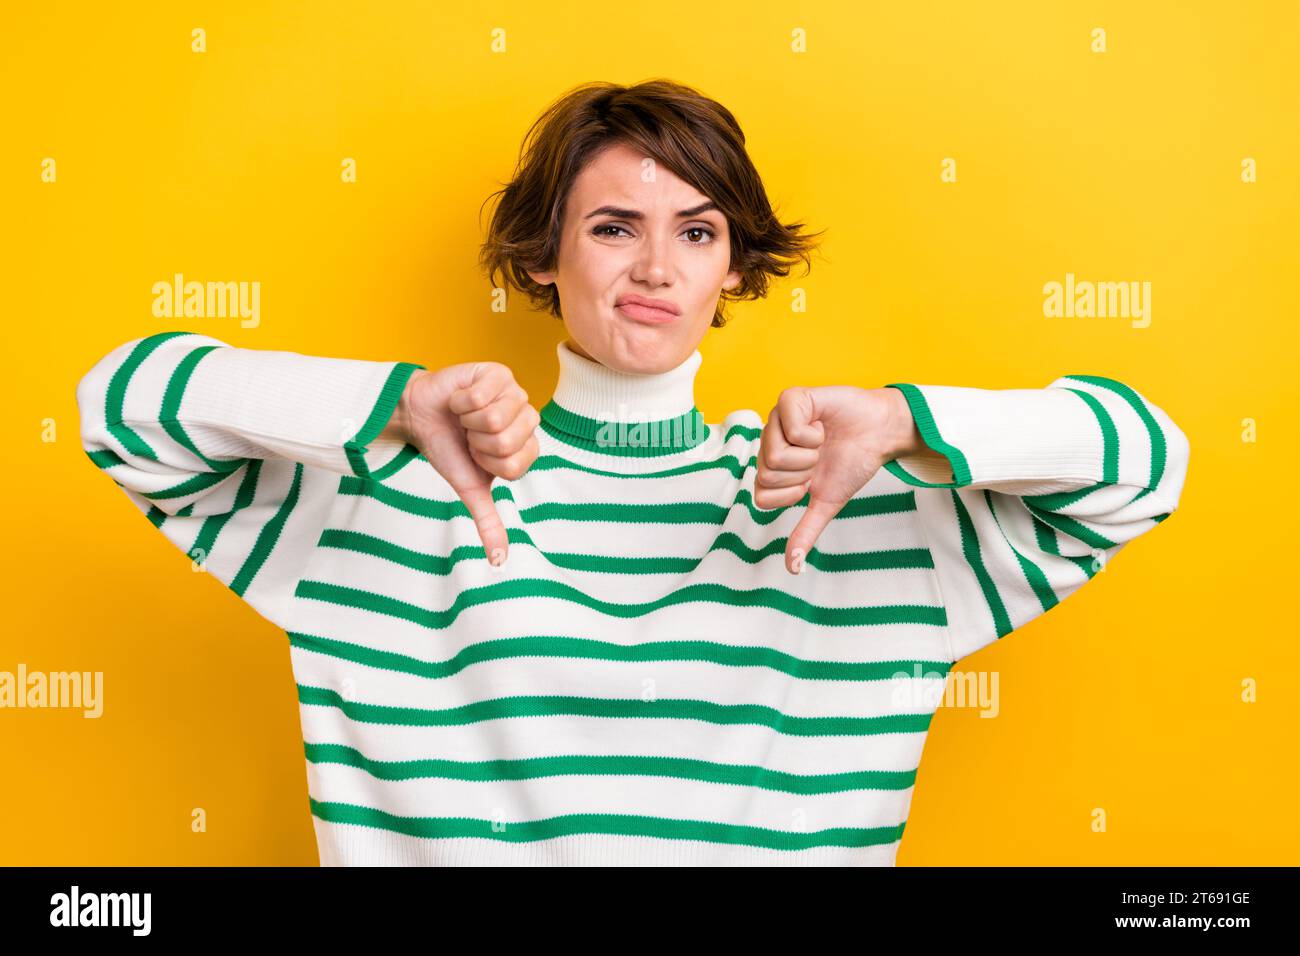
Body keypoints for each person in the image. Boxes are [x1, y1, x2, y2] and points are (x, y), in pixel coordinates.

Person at [75, 79, 1190, 866]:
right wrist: (395, 404)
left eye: (697, 233)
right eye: (614, 226)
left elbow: (1143, 459)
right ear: (540, 258)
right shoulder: (388, 490)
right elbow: (121, 406)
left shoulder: (849, 501)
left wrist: (909, 422)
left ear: (736, 271)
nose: (656, 267)